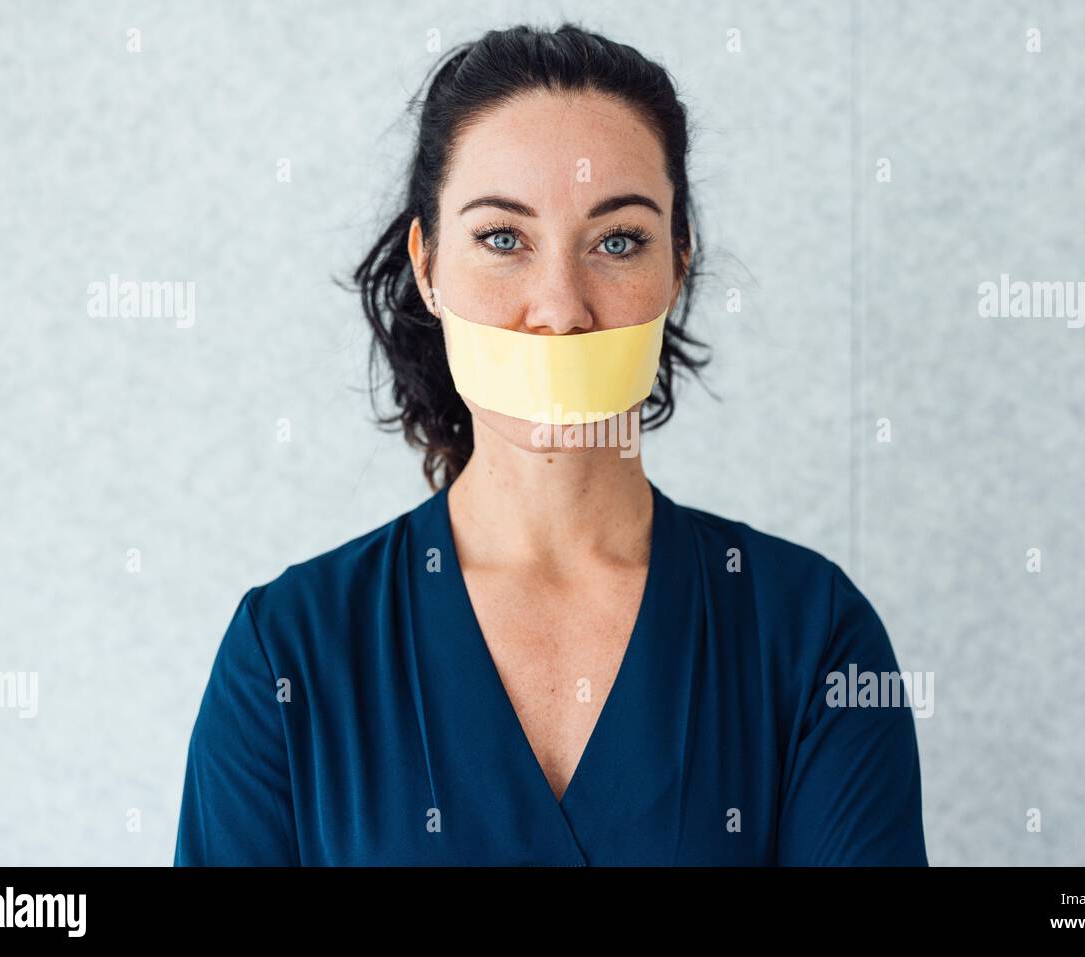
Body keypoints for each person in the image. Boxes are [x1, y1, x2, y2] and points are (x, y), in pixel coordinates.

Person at [173, 22, 929, 867]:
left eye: (618, 241)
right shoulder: (288, 654)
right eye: (503, 239)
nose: (561, 309)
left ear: (678, 266)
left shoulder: (812, 637)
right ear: (428, 266)